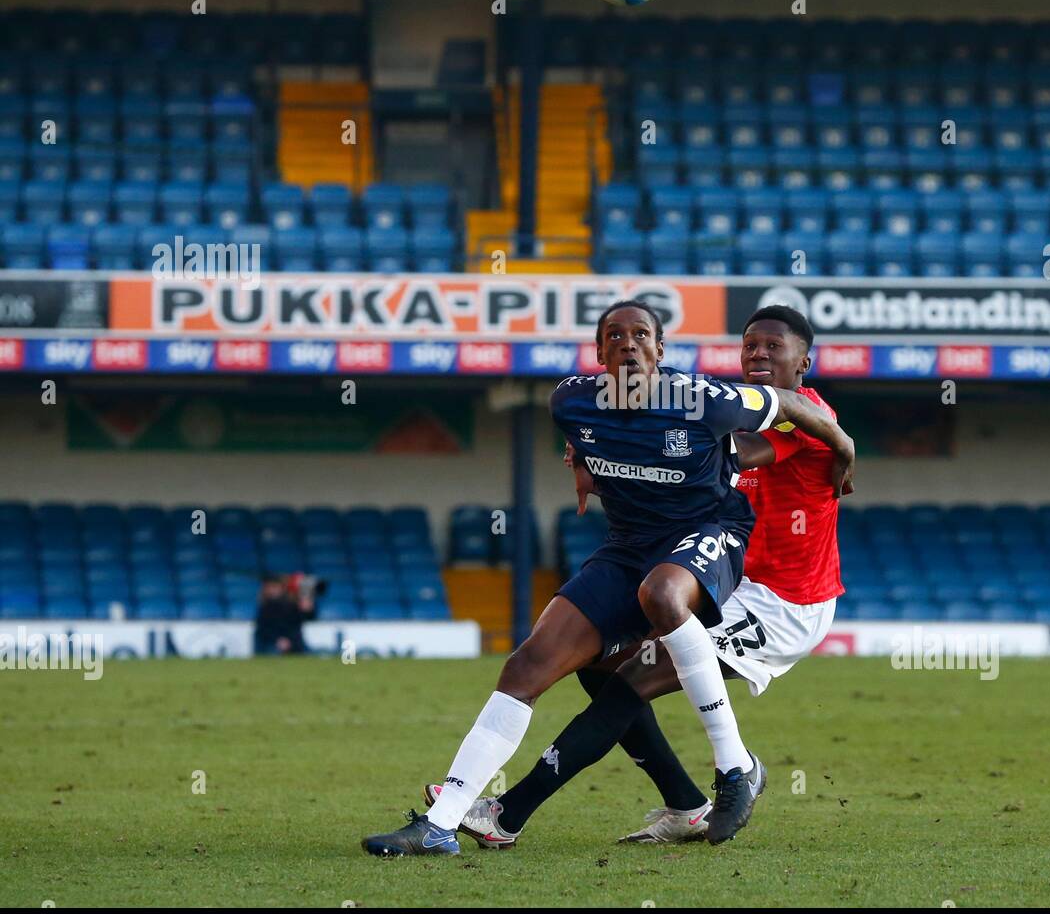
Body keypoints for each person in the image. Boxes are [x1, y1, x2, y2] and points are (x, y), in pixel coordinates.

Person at [361, 300, 854, 856]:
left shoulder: (774, 410)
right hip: (689, 567)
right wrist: (588, 450)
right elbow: (621, 424)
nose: (758, 354)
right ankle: (684, 805)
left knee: (635, 672)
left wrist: (843, 443)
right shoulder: (589, 399)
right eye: (749, 345)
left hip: (781, 601)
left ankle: (730, 772)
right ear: (597, 352)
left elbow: (735, 449)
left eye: (773, 347)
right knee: (590, 669)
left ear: (804, 360)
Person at [252, 573, 317, 655]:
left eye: (275, 587)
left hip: (293, 642)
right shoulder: (265, 606)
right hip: (270, 643)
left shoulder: (292, 604)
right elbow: (264, 629)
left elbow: (304, 619)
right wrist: (277, 640)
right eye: (270, 587)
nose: (272, 590)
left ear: (282, 588)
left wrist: (307, 609)